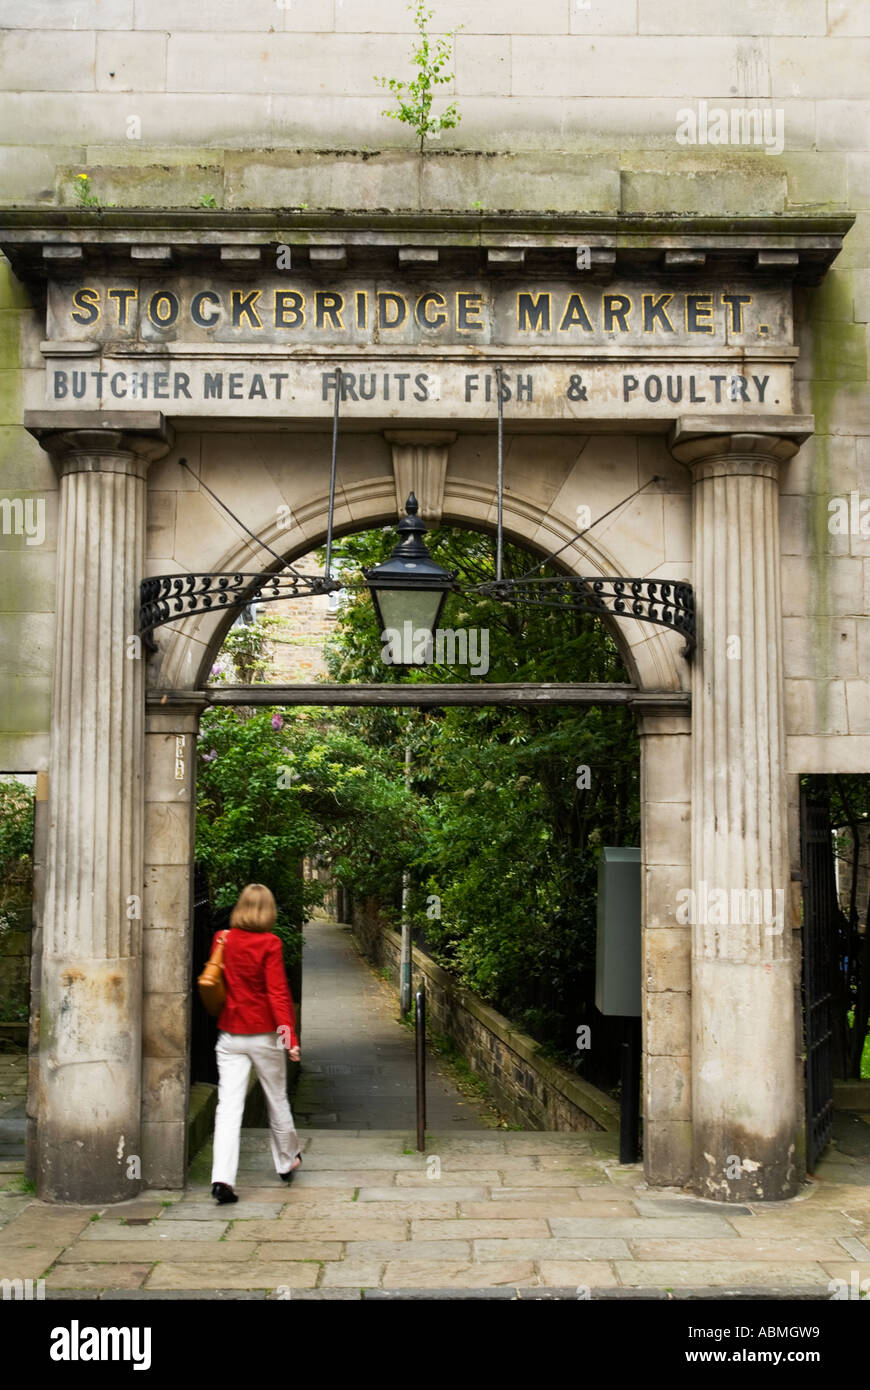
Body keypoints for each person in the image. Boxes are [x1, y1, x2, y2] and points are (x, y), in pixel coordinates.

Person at [209, 883, 302, 1204]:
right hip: (264, 1034)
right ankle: (286, 1161)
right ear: (268, 911)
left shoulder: (223, 939)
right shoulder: (270, 944)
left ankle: (222, 1177)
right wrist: (289, 1037)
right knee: (276, 1099)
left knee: (228, 1107)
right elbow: (277, 993)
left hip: (231, 1033)